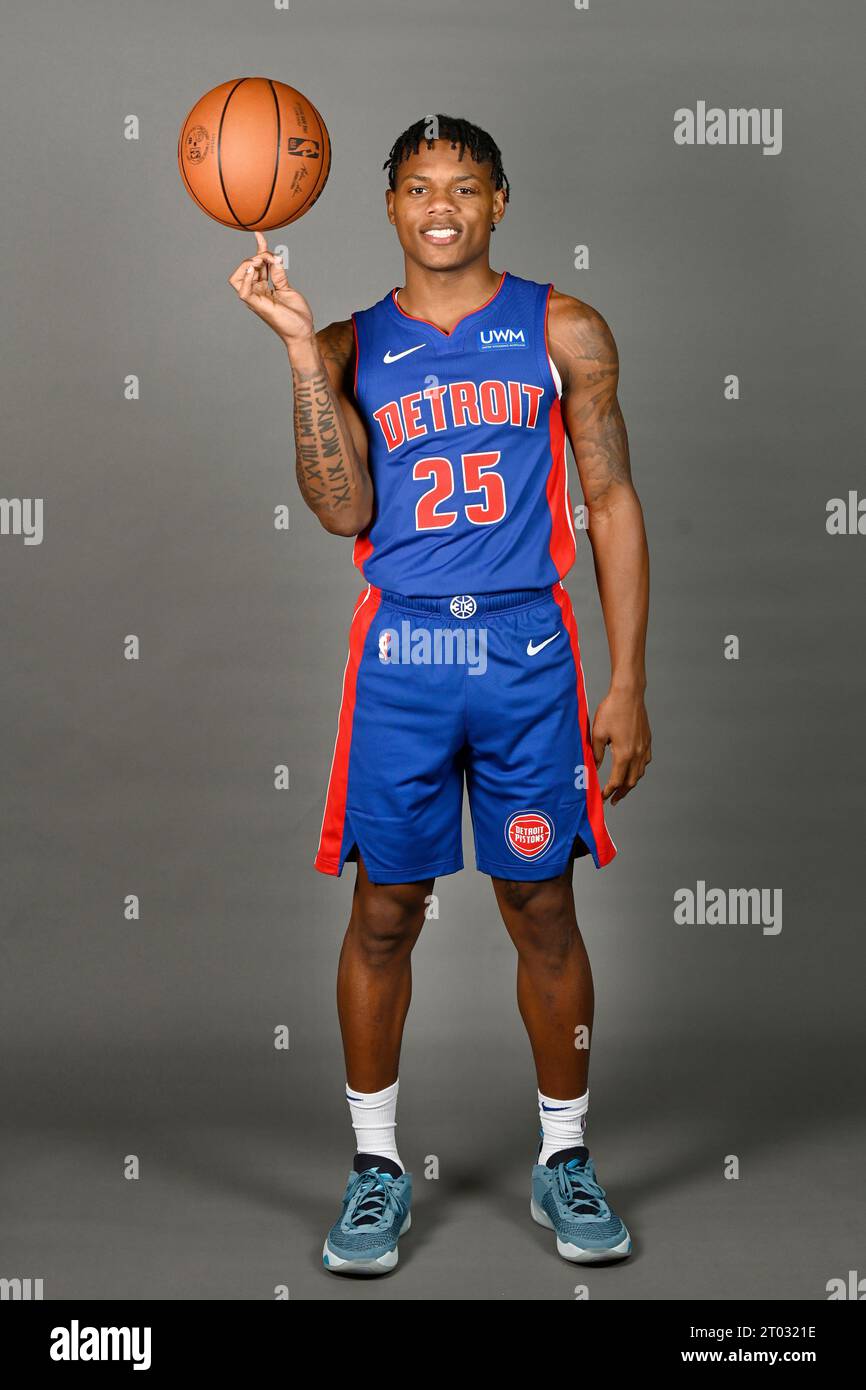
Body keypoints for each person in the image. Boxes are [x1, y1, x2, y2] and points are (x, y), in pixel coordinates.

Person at [228, 114, 651, 1276]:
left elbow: (608, 503)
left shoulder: (563, 326)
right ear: (388, 205)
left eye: (464, 185)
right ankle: (374, 1168)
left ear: (500, 200)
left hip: (528, 654)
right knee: (381, 912)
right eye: (418, 186)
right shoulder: (351, 346)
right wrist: (298, 356)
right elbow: (342, 510)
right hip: (405, 658)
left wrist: (628, 679)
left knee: (542, 904)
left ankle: (563, 1156)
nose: (441, 205)